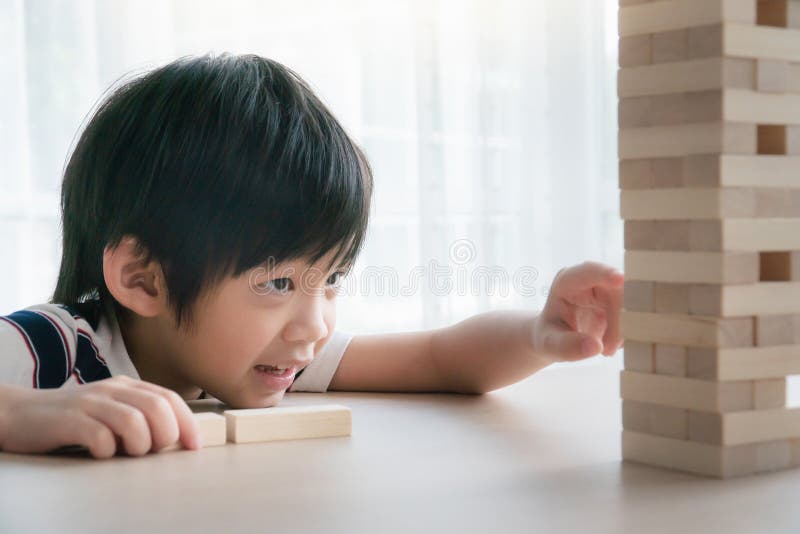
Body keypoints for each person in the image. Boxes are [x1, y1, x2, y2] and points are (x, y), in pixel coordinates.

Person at [0, 54, 623, 459]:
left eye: (331, 281)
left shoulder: (271, 351)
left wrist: (539, 335)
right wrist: (25, 413)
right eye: (277, 282)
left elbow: (441, 359)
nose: (316, 324)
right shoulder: (55, 346)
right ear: (144, 278)